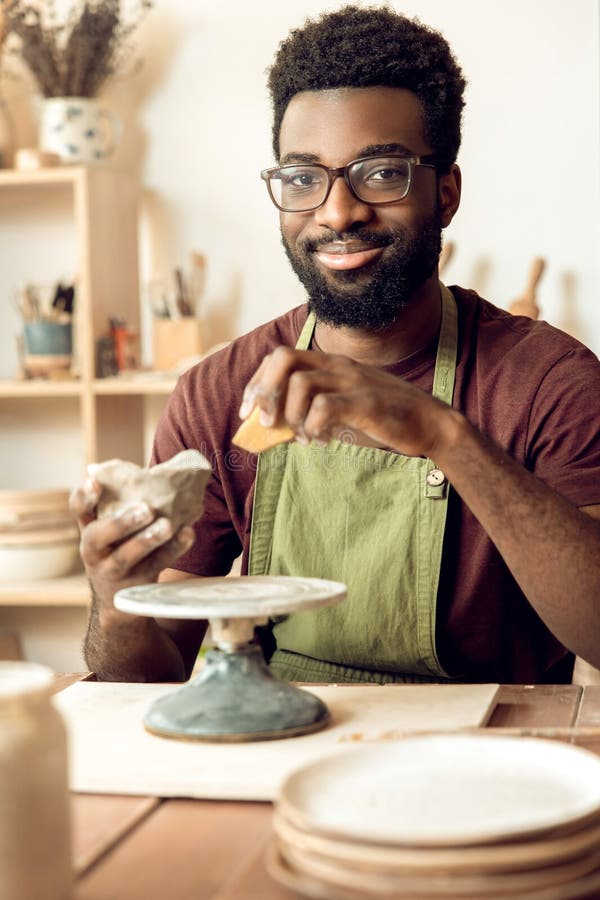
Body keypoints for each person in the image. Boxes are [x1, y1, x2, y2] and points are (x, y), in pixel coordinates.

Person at [72, 5, 600, 686]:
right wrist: (117, 607)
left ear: (445, 193)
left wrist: (445, 437)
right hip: (280, 741)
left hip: (493, 753)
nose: (337, 210)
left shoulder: (549, 381)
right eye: (302, 178)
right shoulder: (219, 393)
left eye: (379, 172)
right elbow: (151, 674)